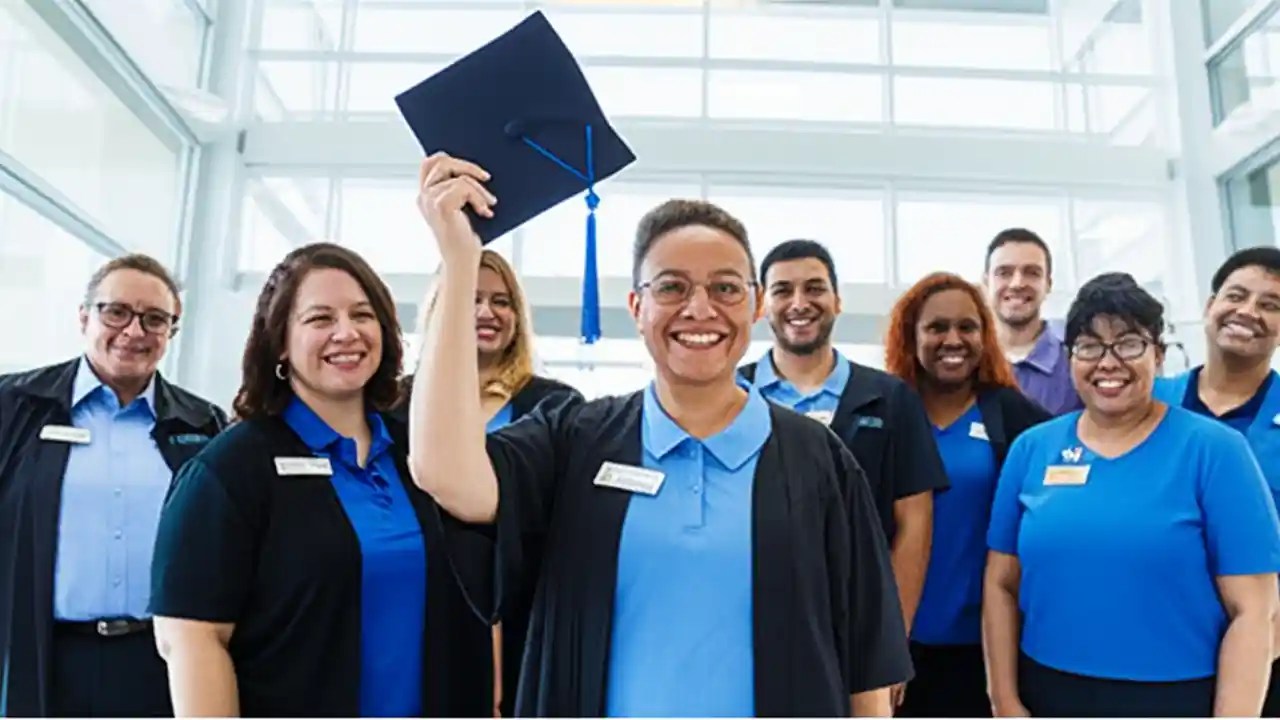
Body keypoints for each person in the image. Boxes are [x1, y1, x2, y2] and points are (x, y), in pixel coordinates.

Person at [408, 153, 913, 717]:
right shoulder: (575, 439)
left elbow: (866, 661)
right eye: (671, 287)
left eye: (725, 288)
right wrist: (458, 261)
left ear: (753, 306)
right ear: (636, 306)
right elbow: (444, 472)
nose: (700, 309)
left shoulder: (818, 460)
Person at [149, 243, 492, 717]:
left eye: (362, 315)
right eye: (320, 319)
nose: (346, 333)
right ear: (280, 343)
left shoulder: (422, 453)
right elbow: (191, 637)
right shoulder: (229, 470)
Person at [984, 272, 1280, 717]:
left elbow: (1255, 613)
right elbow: (1000, 582)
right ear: (1070, 359)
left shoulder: (1215, 450)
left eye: (1128, 343)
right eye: (1089, 345)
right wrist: (1004, 699)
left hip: (1176, 697)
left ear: (1158, 355)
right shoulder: (1033, 448)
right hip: (1047, 691)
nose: (1108, 361)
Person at [0, 254, 227, 717]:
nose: (134, 331)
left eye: (155, 319)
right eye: (116, 311)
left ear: (171, 333)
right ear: (84, 317)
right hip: (43, 654)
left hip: (162, 661)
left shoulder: (204, 423)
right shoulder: (14, 405)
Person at [738, 240, 949, 667]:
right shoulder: (731, 396)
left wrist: (891, 647)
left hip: (859, 631)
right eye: (782, 290)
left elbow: (915, 524)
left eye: (815, 288)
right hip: (748, 628)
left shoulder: (891, 399)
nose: (800, 302)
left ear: (837, 299)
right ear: (761, 304)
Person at [393, 248, 582, 718]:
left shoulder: (554, 407)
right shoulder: (396, 402)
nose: (487, 312)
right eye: (471, 298)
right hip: (417, 598)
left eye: (502, 301)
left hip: (519, 605)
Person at [882, 272, 1051, 718]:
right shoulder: (882, 414)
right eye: (936, 327)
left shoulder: (1016, 418)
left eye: (967, 327)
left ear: (984, 335)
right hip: (898, 645)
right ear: (911, 335)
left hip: (988, 649)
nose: (952, 339)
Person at [1151, 246, 1280, 716]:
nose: (1248, 312)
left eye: (1270, 305)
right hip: (1158, 650)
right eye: (1237, 295)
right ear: (1209, 307)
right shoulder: (1148, 403)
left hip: (1265, 654)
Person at [981, 228, 1081, 415]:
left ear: (1048, 284)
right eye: (1004, 273)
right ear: (986, 282)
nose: (1017, 283)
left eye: (1032, 273)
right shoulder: (966, 359)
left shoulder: (1075, 359)